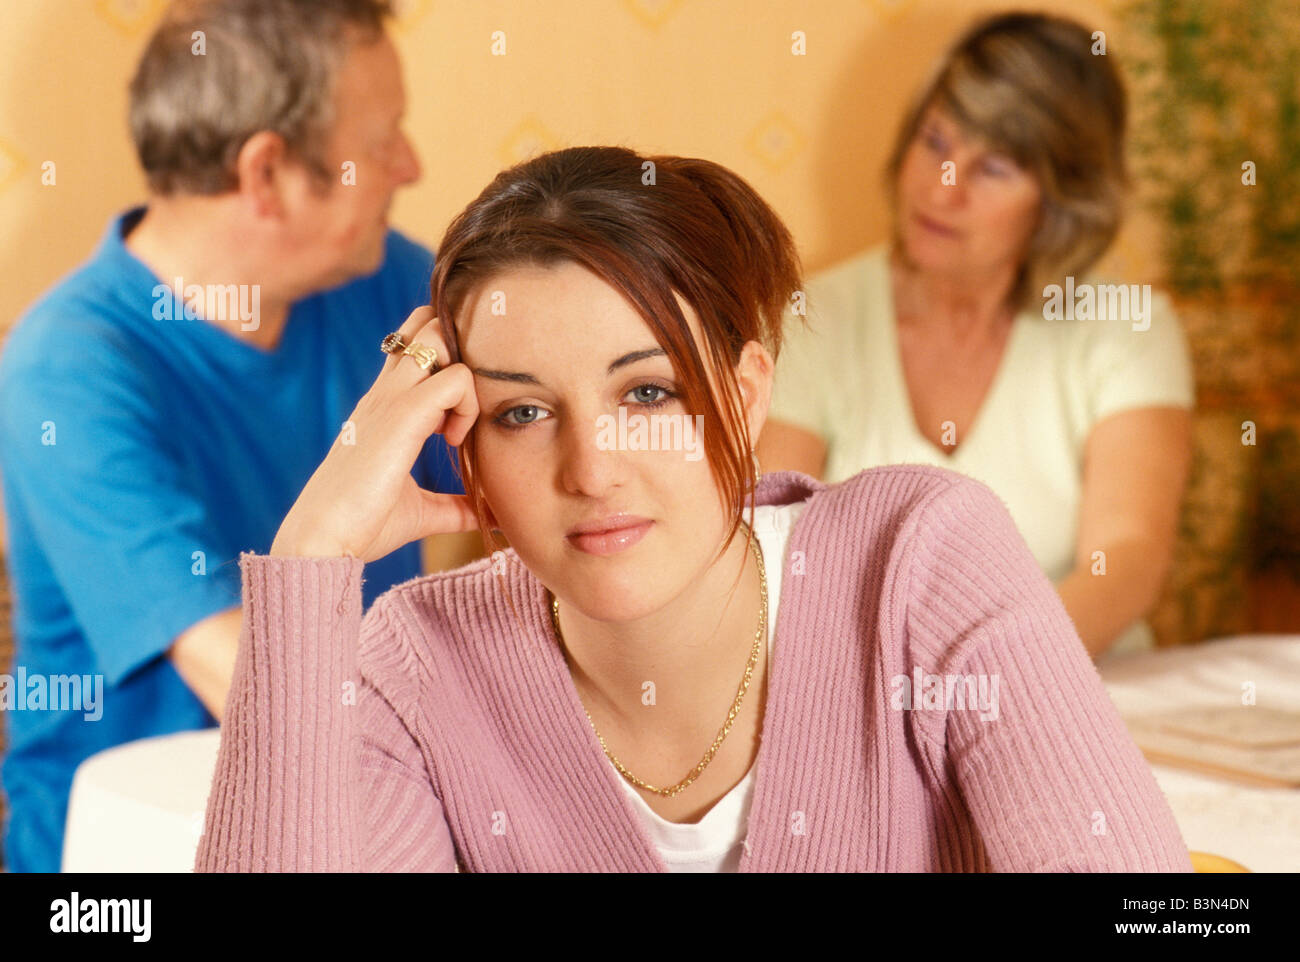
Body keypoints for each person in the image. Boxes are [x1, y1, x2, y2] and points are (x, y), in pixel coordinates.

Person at [195, 145, 1190, 872]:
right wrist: (313, 555)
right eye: (524, 410)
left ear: (746, 396)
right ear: (464, 439)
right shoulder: (416, 666)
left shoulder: (918, 559)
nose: (594, 467)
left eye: (647, 393)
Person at [0, 0, 462, 873]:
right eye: (382, 139)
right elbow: (249, 678)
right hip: (138, 859)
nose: (412, 164)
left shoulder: (384, 281)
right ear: (266, 173)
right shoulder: (69, 366)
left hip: (368, 810)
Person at [756, 11, 1194, 660]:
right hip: (875, 687)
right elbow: (775, 550)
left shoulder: (1129, 327)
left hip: (1081, 687)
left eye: (993, 169)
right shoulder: (815, 317)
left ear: (1061, 201)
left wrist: (987, 676)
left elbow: (1126, 560)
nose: (943, 188)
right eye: (934, 143)